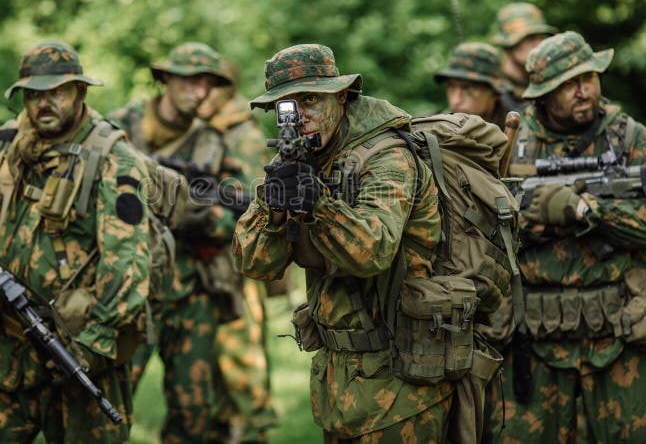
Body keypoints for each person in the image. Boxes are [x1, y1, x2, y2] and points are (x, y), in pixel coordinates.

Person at [234, 43, 455, 442]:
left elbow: (373, 249)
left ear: (340, 96)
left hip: (402, 382)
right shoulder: (299, 162)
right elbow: (254, 265)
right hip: (338, 384)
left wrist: (316, 204)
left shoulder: (387, 157)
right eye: (286, 107)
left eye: (310, 100)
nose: (299, 118)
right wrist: (276, 212)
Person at [0, 41, 153, 442]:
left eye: (57, 92)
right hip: (6, 349)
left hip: (82, 355)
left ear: (80, 91)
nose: (44, 104)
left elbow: (128, 265)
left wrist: (92, 346)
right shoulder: (3, 145)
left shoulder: (113, 159)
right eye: (34, 94)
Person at [483, 31, 646, 443]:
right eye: (568, 84)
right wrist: (535, 215)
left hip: (624, 331)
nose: (583, 91)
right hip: (532, 337)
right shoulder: (509, 143)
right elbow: (479, 234)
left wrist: (587, 211)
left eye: (588, 78)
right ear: (542, 94)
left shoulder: (630, 140)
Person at [108, 41, 239, 443]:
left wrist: (199, 219)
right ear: (165, 79)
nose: (200, 92)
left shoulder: (212, 144)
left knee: (195, 414)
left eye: (208, 84)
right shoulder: (116, 129)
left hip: (189, 293)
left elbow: (237, 214)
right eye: (191, 81)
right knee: (105, 403)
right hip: (126, 290)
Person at [196, 58, 279, 443]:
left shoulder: (241, 134)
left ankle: (252, 431)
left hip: (239, 265)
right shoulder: (210, 130)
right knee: (216, 366)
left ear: (226, 89)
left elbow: (258, 202)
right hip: (214, 263)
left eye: (209, 86)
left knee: (243, 360)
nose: (200, 94)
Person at [490, 2, 557, 113]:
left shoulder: (549, 80)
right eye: (530, 37)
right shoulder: (492, 90)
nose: (538, 43)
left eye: (541, 36)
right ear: (508, 45)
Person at [435, 41, 511, 128]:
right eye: (451, 87)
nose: (455, 100)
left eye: (467, 88)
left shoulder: (518, 131)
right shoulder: (434, 129)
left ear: (495, 92)